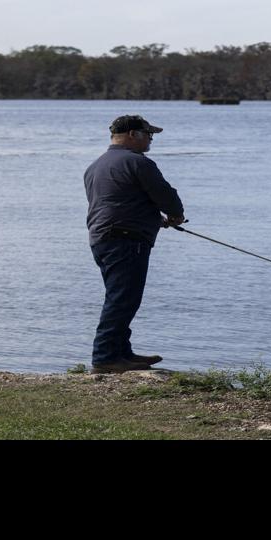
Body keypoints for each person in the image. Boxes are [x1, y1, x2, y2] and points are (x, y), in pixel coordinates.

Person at [83, 115, 187, 373]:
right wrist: (175, 217)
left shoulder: (96, 166)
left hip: (102, 238)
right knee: (122, 299)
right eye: (148, 134)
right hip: (126, 239)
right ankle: (105, 357)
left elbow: (117, 201)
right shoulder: (138, 162)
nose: (151, 139)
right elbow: (165, 194)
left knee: (120, 296)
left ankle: (122, 353)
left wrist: (149, 218)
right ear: (132, 134)